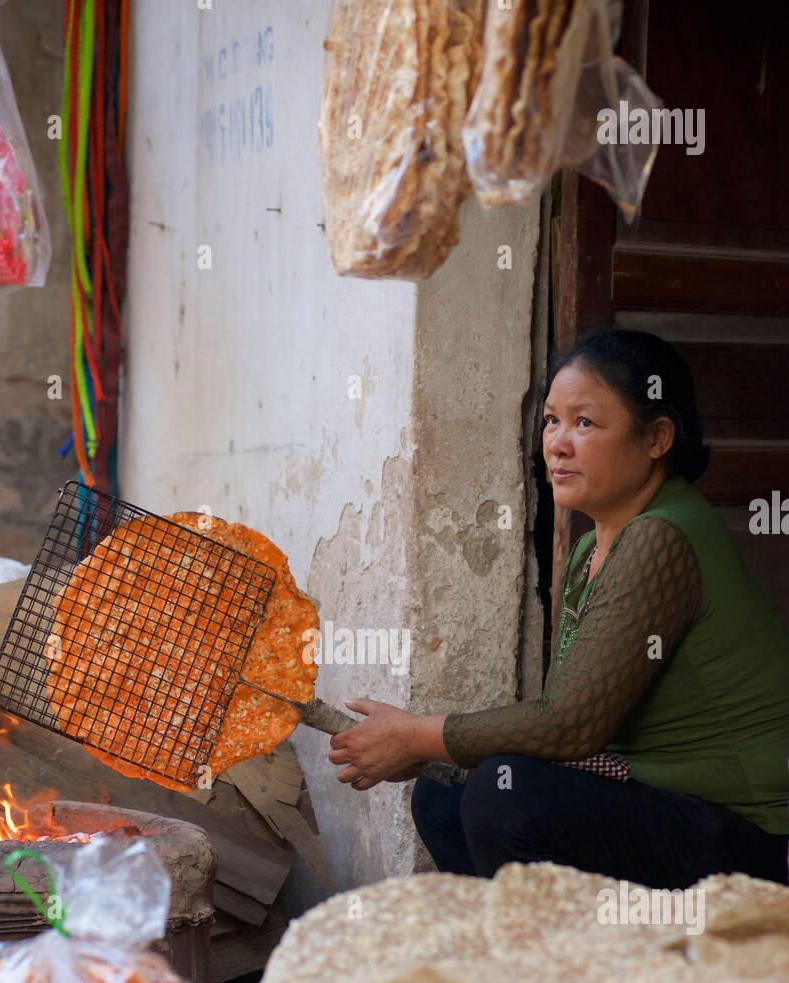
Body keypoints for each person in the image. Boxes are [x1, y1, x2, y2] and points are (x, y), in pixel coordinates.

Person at [328, 329, 789, 889]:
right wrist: (435, 755)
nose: (557, 443)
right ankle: (539, 957)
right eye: (551, 420)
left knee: (508, 796)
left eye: (585, 423)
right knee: (444, 795)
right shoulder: (592, 550)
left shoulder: (662, 538)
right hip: (669, 806)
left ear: (657, 439)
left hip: (752, 838)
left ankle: (562, 963)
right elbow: (569, 725)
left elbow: (569, 724)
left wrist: (417, 737)